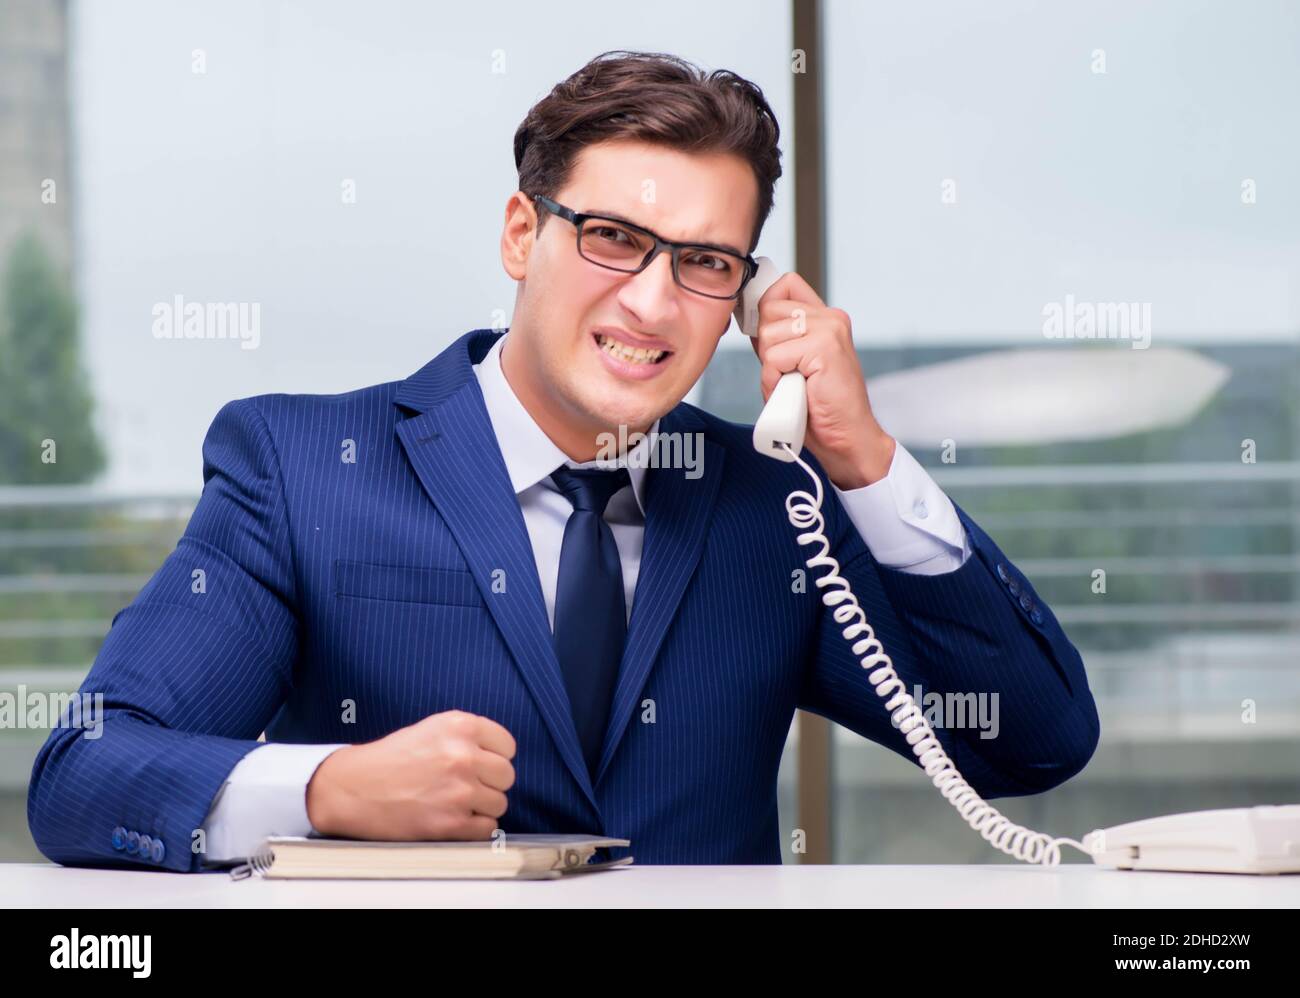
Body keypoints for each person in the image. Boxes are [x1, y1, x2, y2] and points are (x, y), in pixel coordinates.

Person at [28, 50, 1099, 871]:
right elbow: (84, 773)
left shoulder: (776, 506)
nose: (651, 299)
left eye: (704, 263)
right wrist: (331, 787)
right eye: (611, 237)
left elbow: (1031, 743)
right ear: (517, 236)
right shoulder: (302, 466)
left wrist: (861, 457)